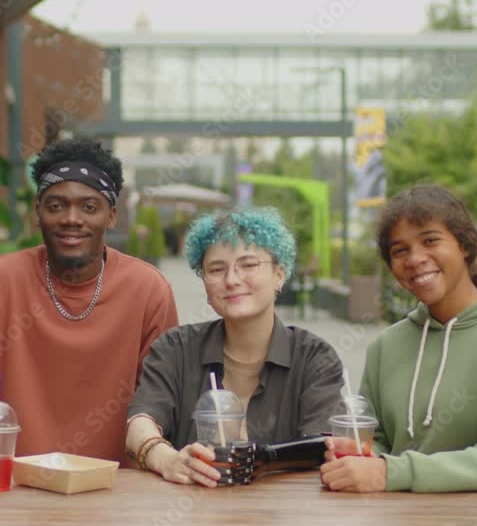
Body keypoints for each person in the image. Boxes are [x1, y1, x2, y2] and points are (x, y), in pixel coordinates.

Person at [319, 185, 477, 519]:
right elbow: (380, 442)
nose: (415, 259)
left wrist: (391, 472)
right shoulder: (386, 347)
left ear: (465, 246)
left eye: (430, 240)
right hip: (407, 522)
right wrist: (361, 454)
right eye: (399, 250)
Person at [0, 138, 179, 464]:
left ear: (111, 216)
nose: (72, 218)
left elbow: (161, 402)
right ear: (37, 213)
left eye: (89, 207)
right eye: (56, 206)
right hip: (11, 488)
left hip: (117, 490)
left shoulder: (148, 290)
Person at [127, 207, 344, 487]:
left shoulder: (315, 358)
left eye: (249, 265)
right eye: (216, 269)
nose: (231, 279)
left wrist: (261, 460)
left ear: (280, 274)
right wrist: (165, 458)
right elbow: (139, 424)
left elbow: (321, 446)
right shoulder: (175, 349)